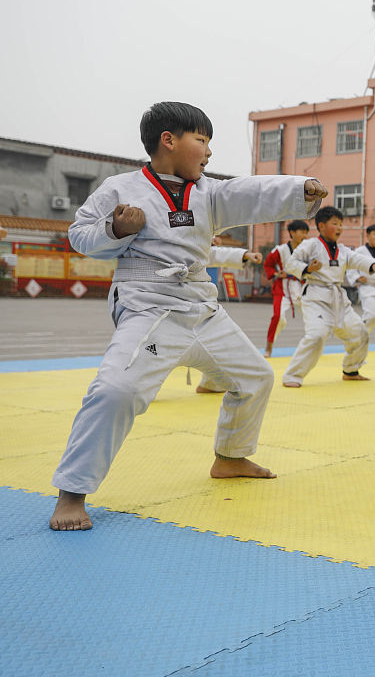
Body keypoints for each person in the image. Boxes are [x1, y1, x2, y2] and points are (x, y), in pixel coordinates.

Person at [48, 101, 324, 531]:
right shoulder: (120, 188)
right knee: (116, 390)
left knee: (254, 377)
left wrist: (299, 188)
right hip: (149, 306)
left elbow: (248, 192)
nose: (209, 151)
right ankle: (72, 491)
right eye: (202, 140)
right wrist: (116, 229)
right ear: (169, 140)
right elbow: (80, 235)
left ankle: (230, 458)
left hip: (201, 307)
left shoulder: (209, 192)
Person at [280, 206, 375, 387]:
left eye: (341, 224)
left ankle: (351, 370)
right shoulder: (310, 245)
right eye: (335, 223)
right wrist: (308, 268)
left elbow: (357, 259)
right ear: (321, 225)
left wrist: (373, 265)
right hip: (316, 299)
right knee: (317, 336)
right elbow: (290, 263)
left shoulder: (343, 250)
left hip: (339, 300)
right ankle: (292, 376)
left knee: (360, 333)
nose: (339, 228)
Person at [194, 244, 265, 394]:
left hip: (201, 304)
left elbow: (210, 253)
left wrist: (244, 255)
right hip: (164, 306)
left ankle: (210, 384)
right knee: (159, 354)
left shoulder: (192, 241)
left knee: (220, 345)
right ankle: (138, 389)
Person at [263, 220, 309, 358]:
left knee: (312, 317)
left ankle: (312, 347)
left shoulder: (307, 251)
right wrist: (276, 274)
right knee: (278, 317)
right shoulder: (280, 250)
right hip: (283, 288)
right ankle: (268, 347)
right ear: (292, 233)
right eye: (302, 232)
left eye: (306, 232)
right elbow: (268, 264)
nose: (305, 235)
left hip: (302, 287)